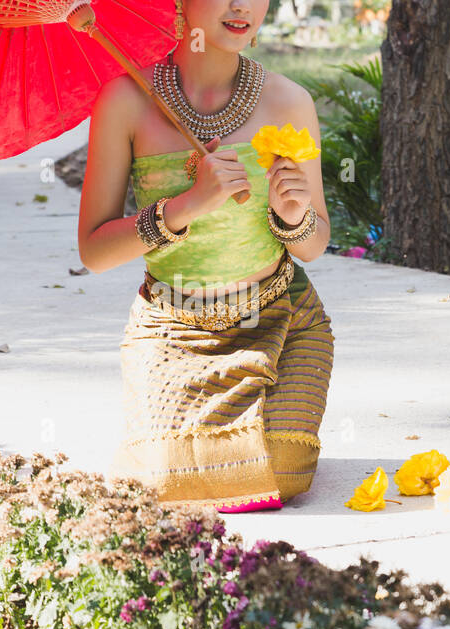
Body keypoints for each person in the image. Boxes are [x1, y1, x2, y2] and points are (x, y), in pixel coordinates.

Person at [77, 0, 334, 513]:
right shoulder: (125, 100)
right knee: (167, 482)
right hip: (172, 330)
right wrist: (187, 205)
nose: (242, 7)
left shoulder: (289, 102)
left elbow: (315, 243)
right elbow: (94, 250)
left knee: (281, 471)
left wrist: (291, 215)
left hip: (281, 322)